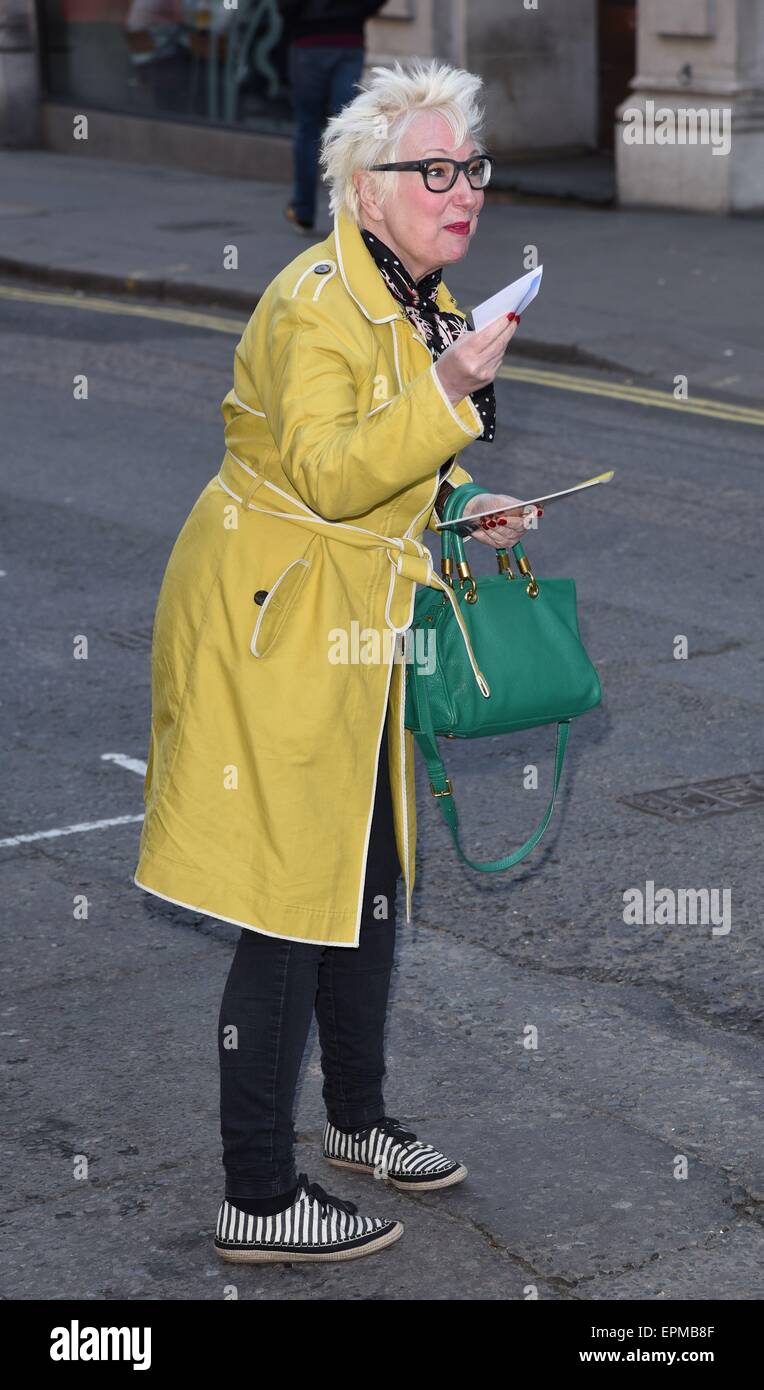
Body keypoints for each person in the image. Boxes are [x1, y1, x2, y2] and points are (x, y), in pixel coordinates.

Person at [133, 57, 541, 1265]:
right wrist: (455, 393)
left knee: (364, 887)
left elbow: (396, 452)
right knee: (287, 912)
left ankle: (357, 1125)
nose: (459, 189)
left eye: (469, 167)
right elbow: (322, 466)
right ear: (365, 192)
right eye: (432, 170)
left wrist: (466, 498)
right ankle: (257, 1196)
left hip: (353, 627)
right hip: (277, 626)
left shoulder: (418, 296)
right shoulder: (317, 301)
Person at [278, 0, 388, 233]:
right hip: (348, 40)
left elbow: (286, 6)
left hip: (308, 42)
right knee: (347, 129)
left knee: (307, 127)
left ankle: (303, 210)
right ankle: (351, 214)